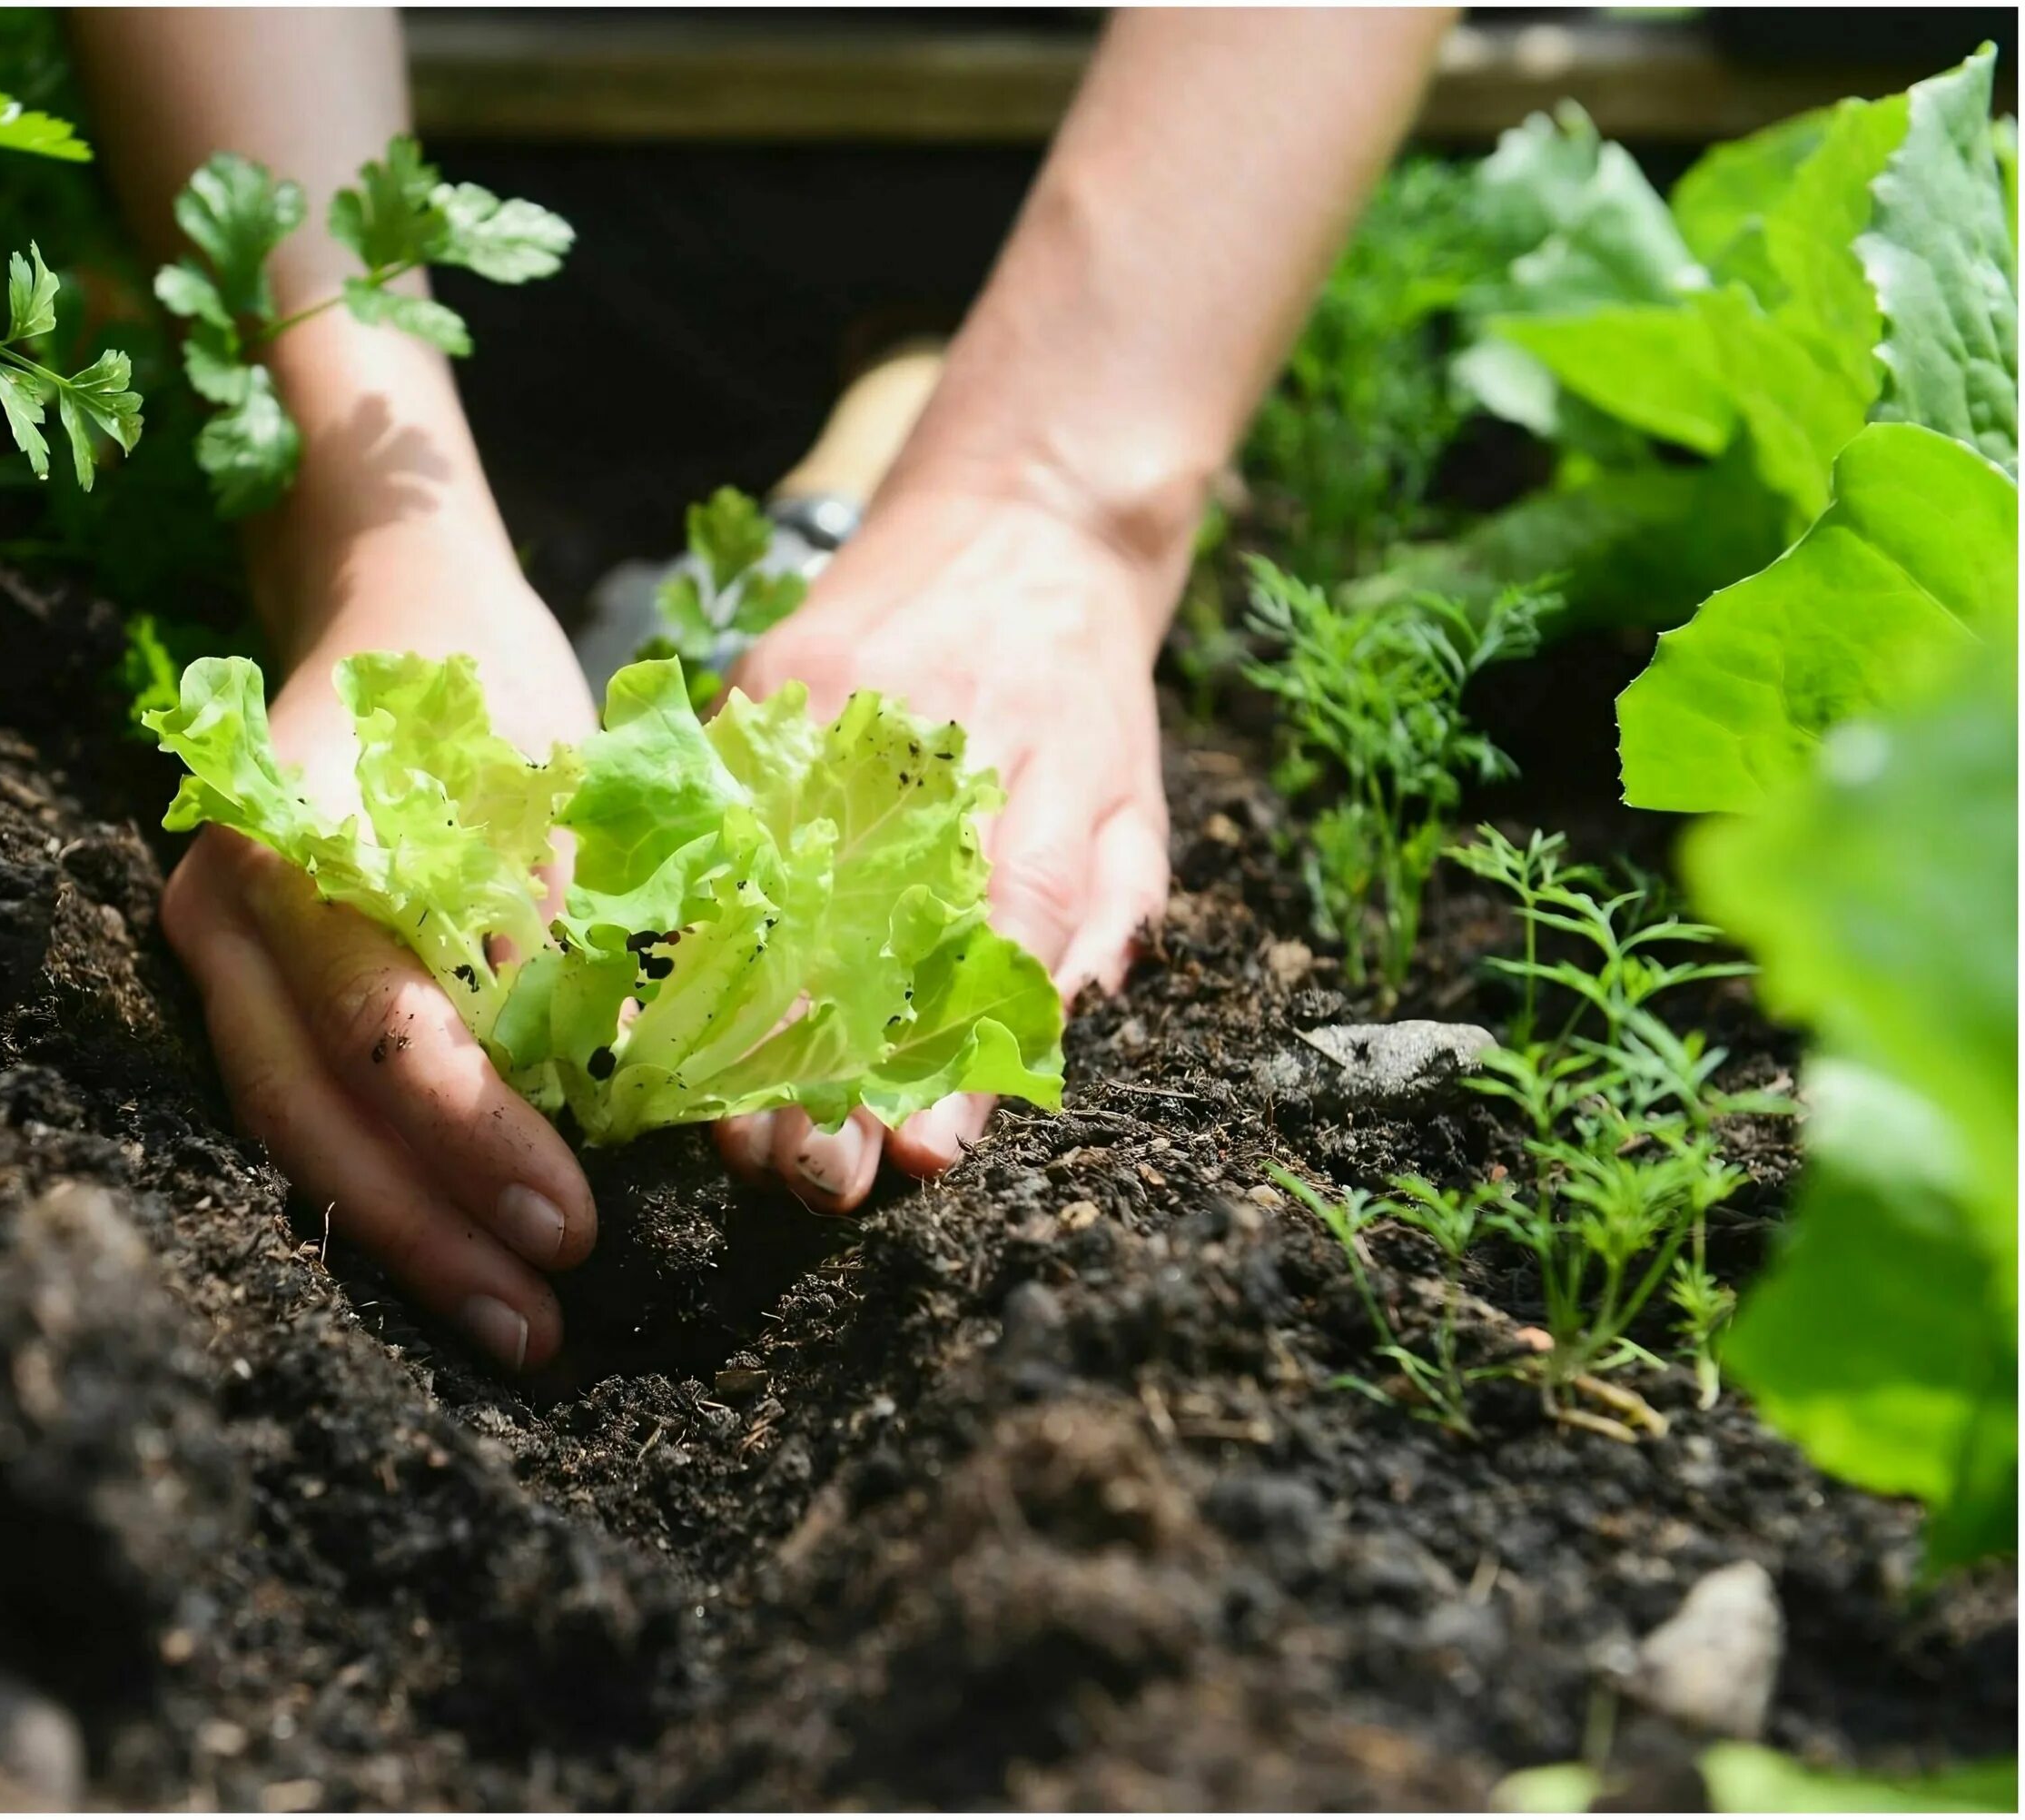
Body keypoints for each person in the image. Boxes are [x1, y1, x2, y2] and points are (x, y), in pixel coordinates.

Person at [72, 7, 1455, 1372]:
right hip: (493, 148)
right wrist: (367, 527)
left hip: (1178, 163)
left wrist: (1061, 493)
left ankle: (912, 394)